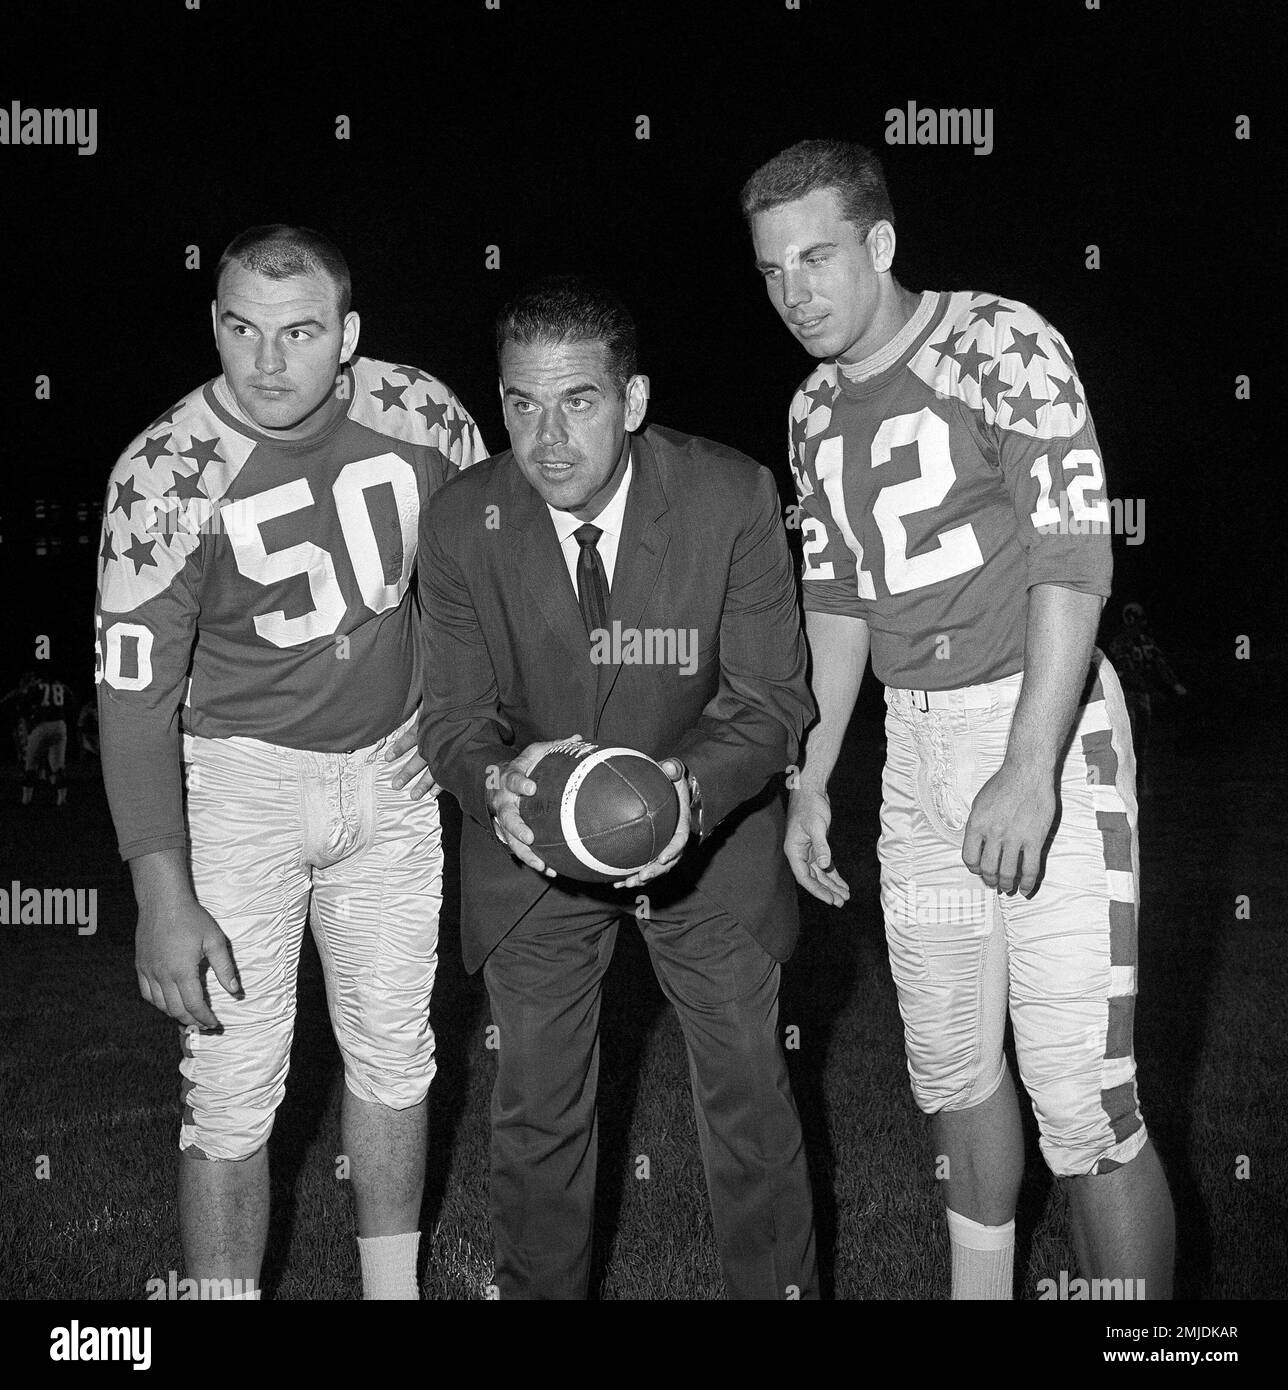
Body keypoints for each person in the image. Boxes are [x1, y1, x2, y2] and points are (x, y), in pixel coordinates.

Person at [743, 140, 1175, 1299]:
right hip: (917, 754)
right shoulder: (812, 406)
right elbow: (833, 601)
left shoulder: (999, 341)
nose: (796, 292)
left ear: (880, 244)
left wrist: (1030, 767)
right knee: (950, 1068)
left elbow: (1073, 556)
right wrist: (809, 777)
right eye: (773, 270)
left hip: (1040, 729)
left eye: (818, 257)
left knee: (1086, 1097)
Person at [95, 224, 486, 1299]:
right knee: (227, 1086)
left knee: (398, 1058)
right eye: (242, 329)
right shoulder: (164, 475)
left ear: (347, 334)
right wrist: (159, 887)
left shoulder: (420, 414)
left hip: (392, 776)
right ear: (214, 323)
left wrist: (454, 724)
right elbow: (132, 702)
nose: (268, 362)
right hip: (239, 785)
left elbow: (481, 578)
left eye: (300, 332)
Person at [419, 275, 819, 1300]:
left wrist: (689, 788)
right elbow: (453, 720)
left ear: (632, 400)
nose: (547, 438)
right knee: (537, 1109)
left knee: (746, 1089)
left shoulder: (731, 495)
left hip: (708, 835)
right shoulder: (464, 520)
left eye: (578, 400)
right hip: (535, 853)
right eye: (520, 403)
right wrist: (496, 782)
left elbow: (771, 699)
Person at [1108, 603, 1186, 797]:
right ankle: (1125, 784)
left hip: (1142, 696)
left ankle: (1140, 783)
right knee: (1128, 741)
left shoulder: (1146, 642)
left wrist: (1174, 684)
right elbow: (1125, 673)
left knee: (1141, 743)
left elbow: (1160, 665)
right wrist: (1152, 688)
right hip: (1126, 696)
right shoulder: (1119, 643)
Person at [14, 670, 74, 805]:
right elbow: (71, 700)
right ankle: (62, 799)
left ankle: (26, 800)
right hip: (60, 724)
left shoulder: (37, 686)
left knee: (30, 765)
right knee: (58, 767)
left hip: (42, 725)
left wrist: (31, 717)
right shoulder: (61, 686)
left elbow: (23, 704)